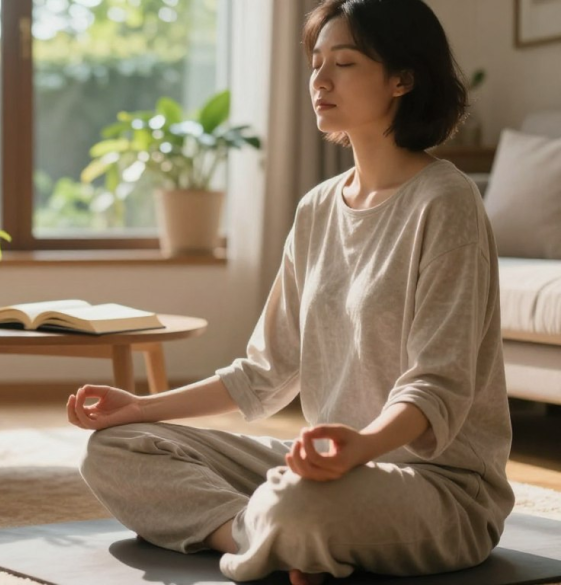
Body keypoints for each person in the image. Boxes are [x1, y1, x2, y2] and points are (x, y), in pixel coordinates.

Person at [66, 1, 515, 583]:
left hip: (437, 490)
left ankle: (280, 527)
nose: (320, 80)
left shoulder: (446, 203)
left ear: (403, 79)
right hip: (320, 471)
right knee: (115, 450)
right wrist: (139, 408)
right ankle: (266, 535)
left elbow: (438, 385)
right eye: (316, 63)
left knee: (301, 502)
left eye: (345, 63)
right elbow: (266, 370)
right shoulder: (316, 208)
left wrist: (362, 446)